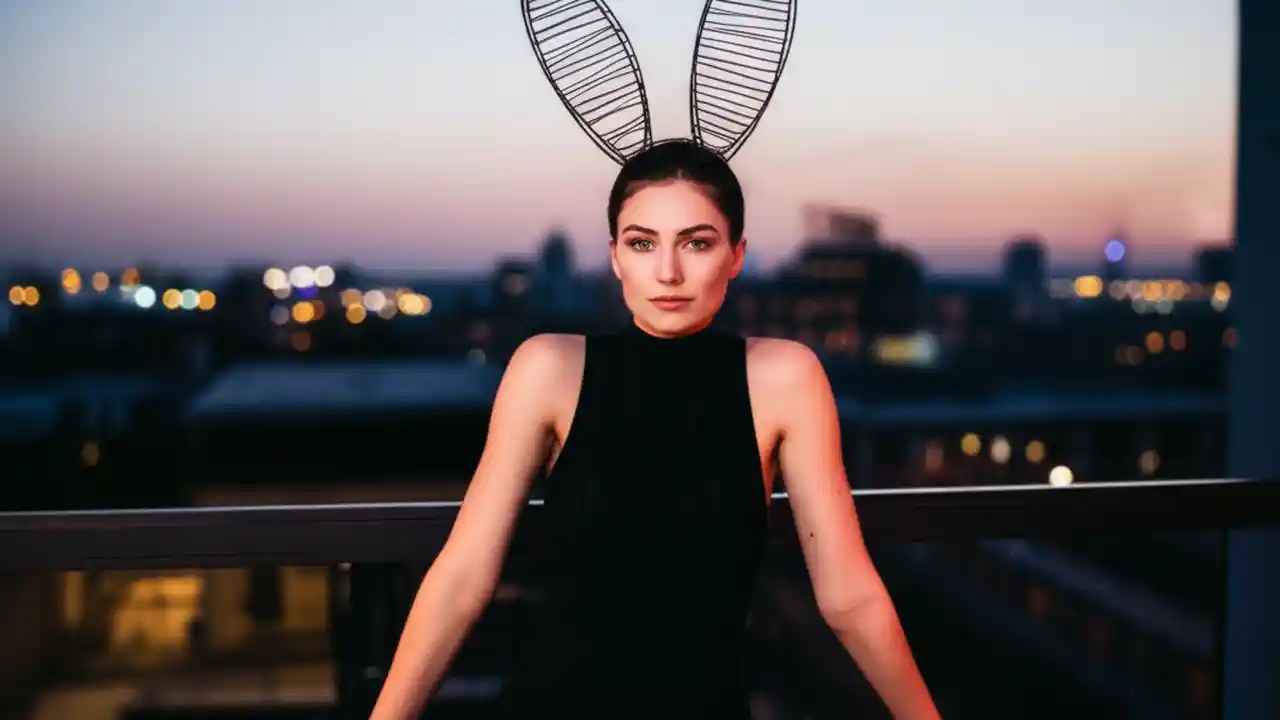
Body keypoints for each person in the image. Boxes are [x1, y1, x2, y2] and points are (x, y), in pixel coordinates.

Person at [369, 140, 941, 718]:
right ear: (616, 257)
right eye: (643, 244)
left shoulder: (785, 377)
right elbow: (462, 579)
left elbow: (848, 596)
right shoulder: (548, 368)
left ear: (736, 256)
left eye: (697, 243)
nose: (668, 272)